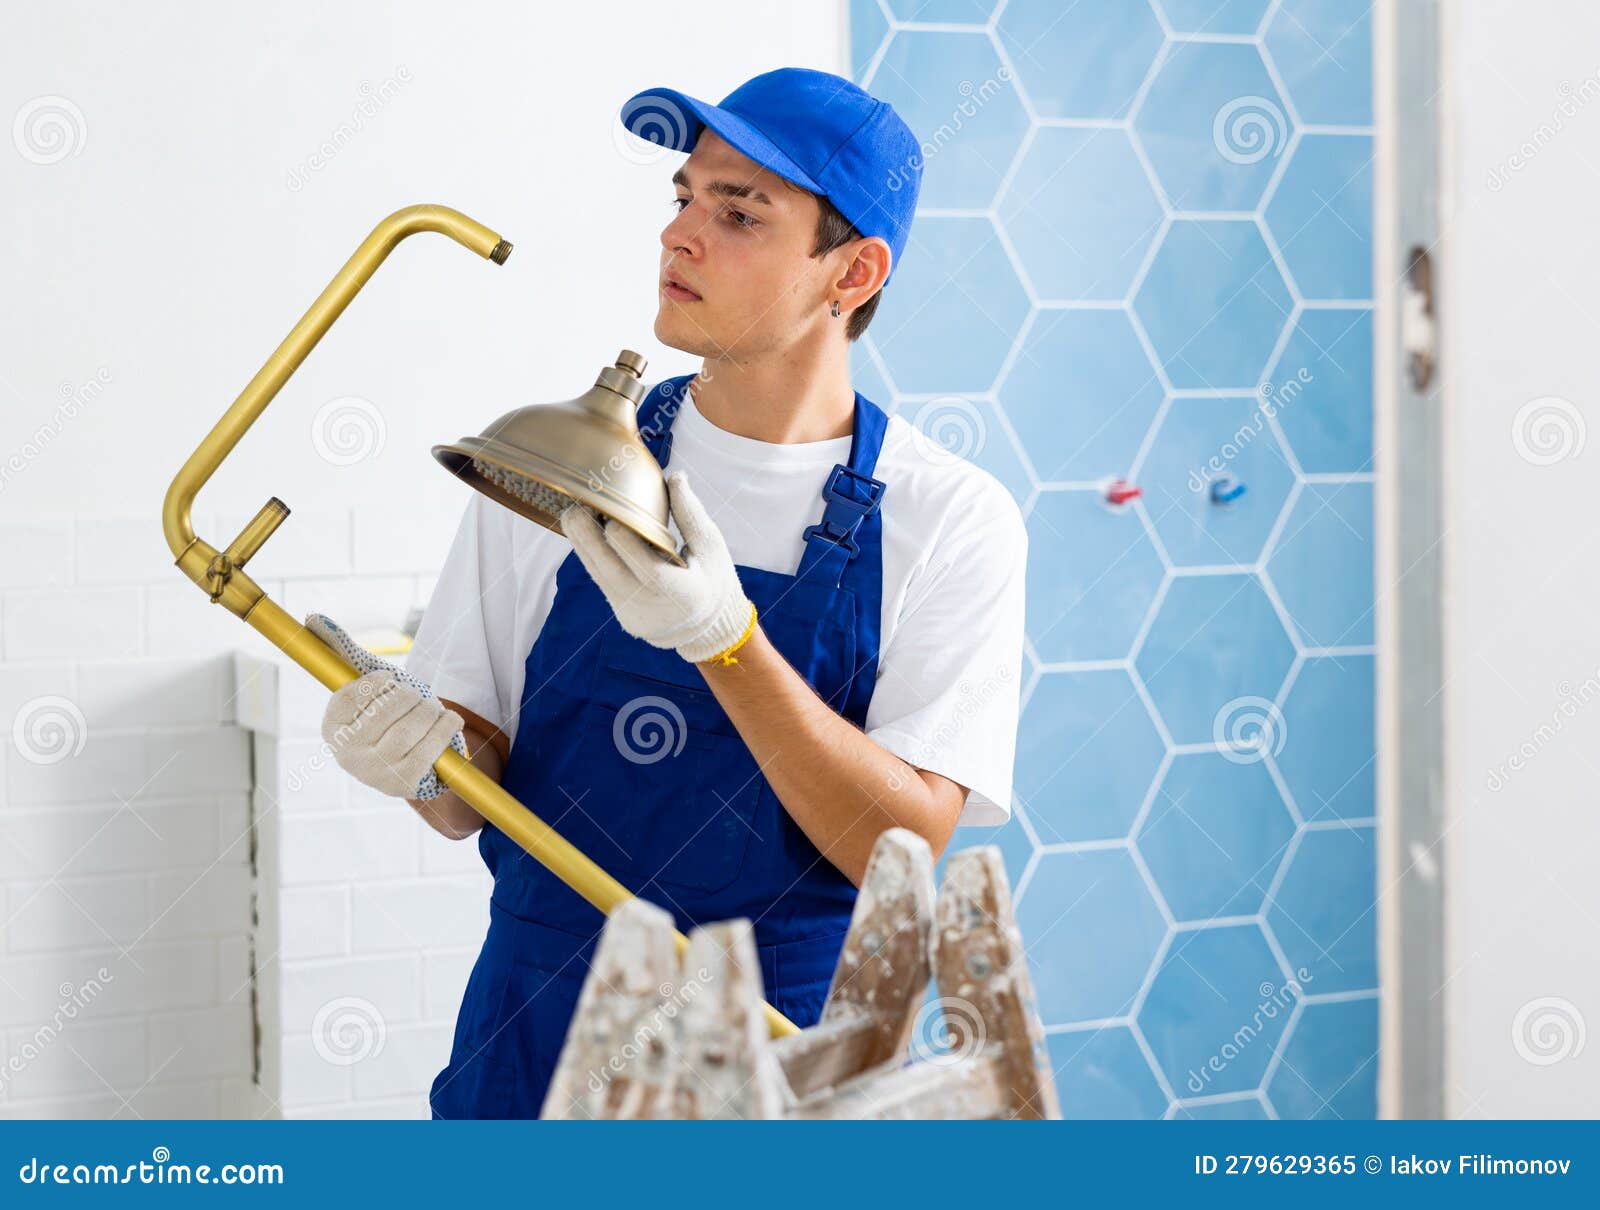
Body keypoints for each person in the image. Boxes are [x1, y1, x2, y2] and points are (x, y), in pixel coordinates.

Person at [313, 66, 1028, 1119]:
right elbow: (466, 792)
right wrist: (415, 764)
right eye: (684, 197)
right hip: (532, 1042)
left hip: (776, 1064)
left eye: (738, 213)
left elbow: (899, 852)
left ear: (854, 271)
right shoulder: (560, 467)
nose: (678, 235)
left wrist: (727, 642)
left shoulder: (950, 518)